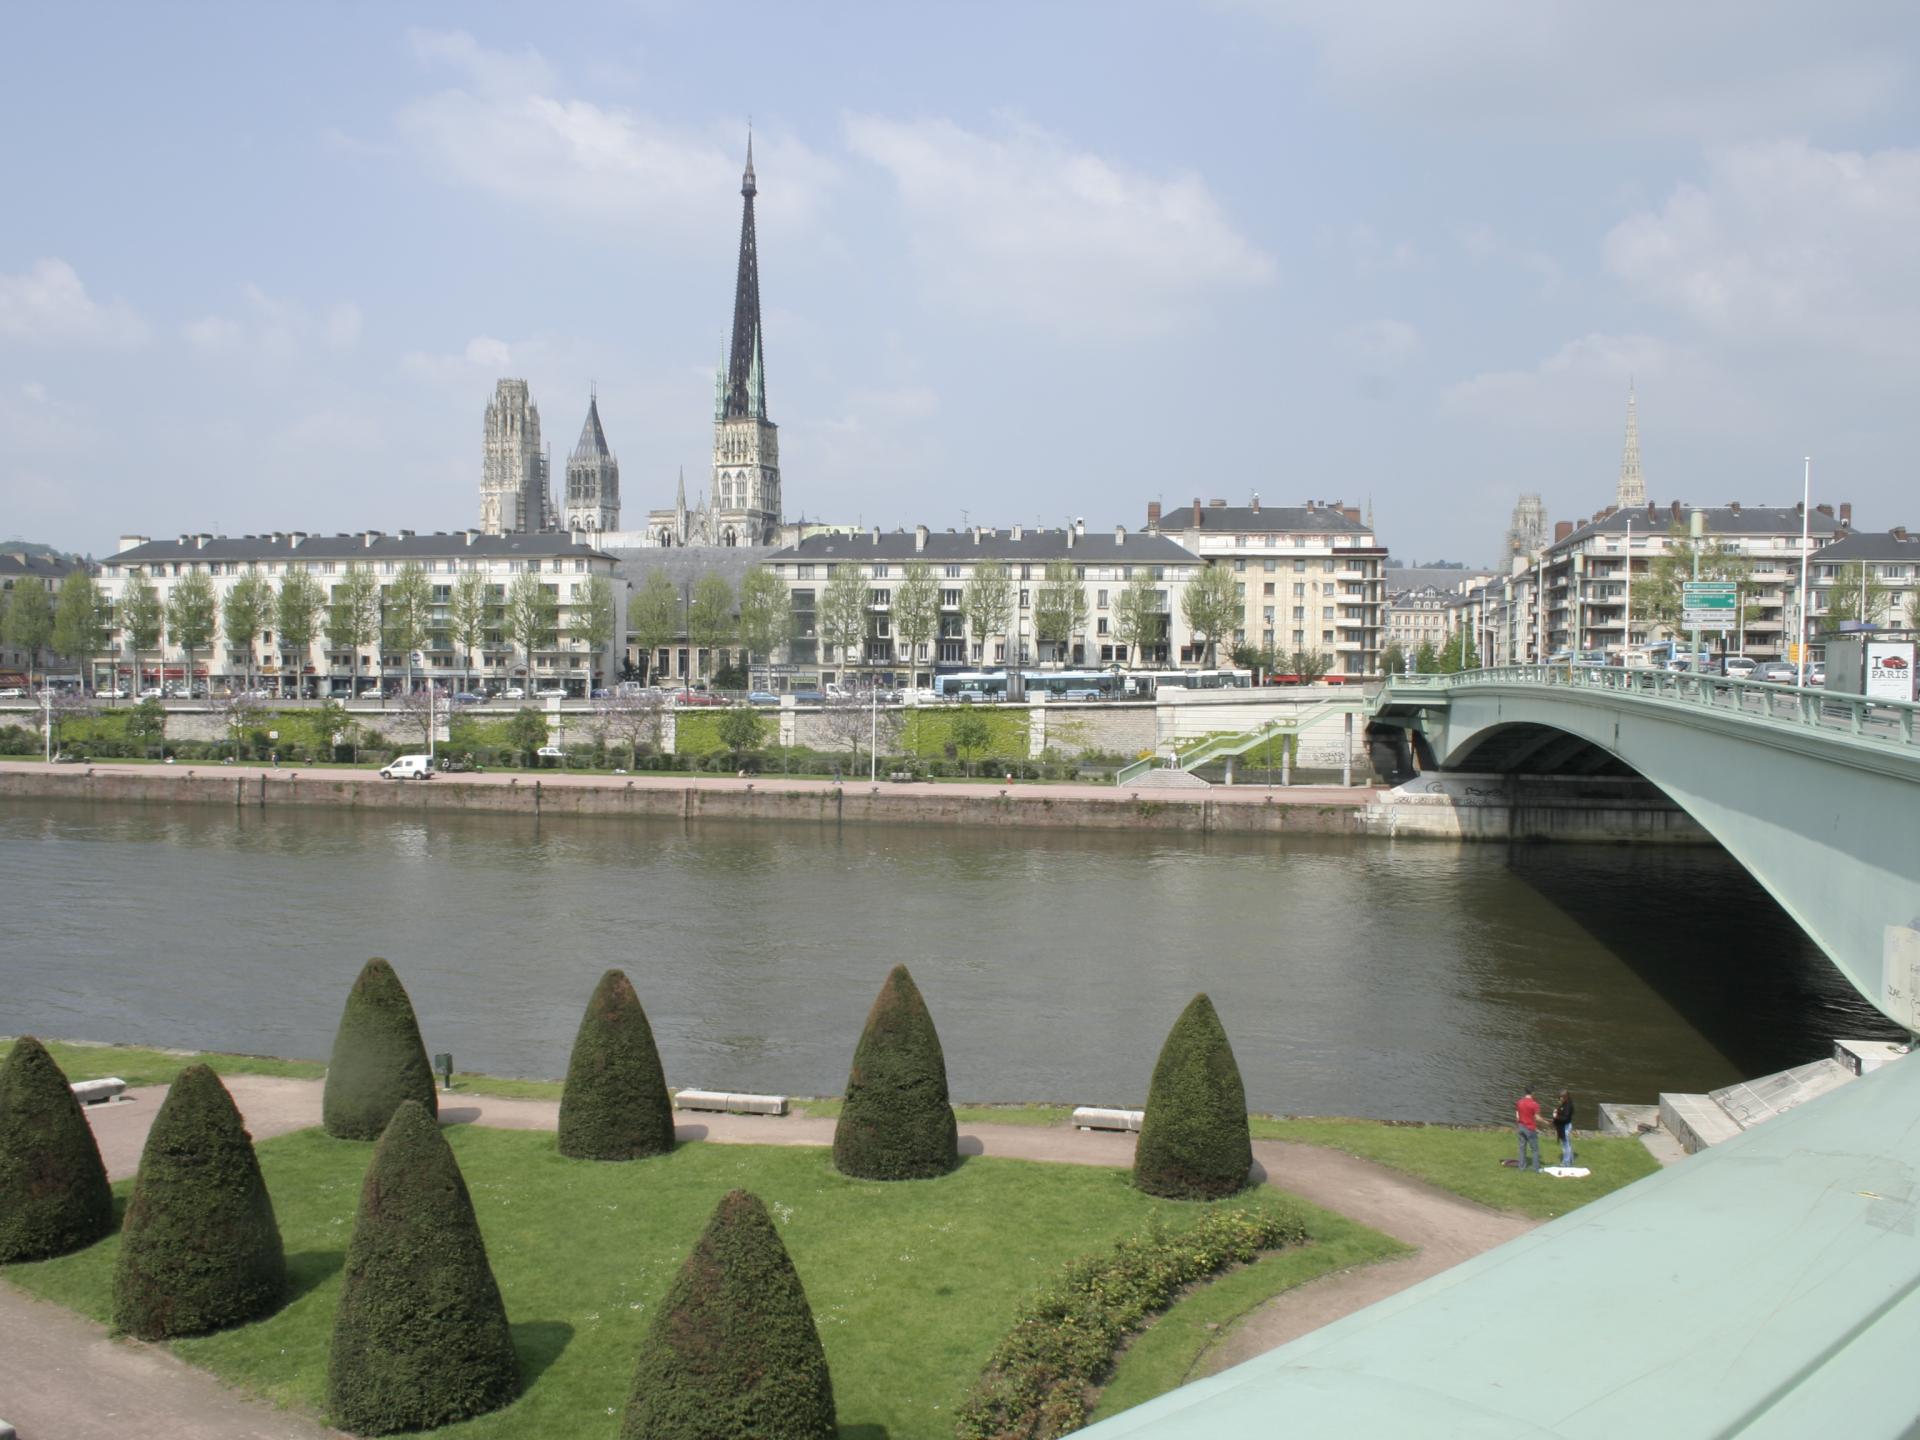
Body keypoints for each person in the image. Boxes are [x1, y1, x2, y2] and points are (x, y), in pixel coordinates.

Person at [1514, 1086, 1542, 1172]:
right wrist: (1546, 1122)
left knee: (1522, 1148)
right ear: (1533, 1093)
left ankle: (1522, 1167)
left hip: (1521, 1127)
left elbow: (1517, 1116)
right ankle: (1536, 1168)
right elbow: (1537, 1118)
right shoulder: (1535, 1104)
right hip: (1530, 1128)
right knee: (1535, 1150)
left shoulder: (1519, 1102)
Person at [1552, 1090, 1575, 1168]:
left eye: (1561, 1098)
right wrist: (1557, 1110)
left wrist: (1556, 1116)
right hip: (1563, 1126)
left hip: (1566, 1126)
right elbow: (1561, 1112)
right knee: (1567, 1144)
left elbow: (1565, 1118)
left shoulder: (1569, 1106)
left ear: (1565, 1097)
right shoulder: (1564, 1104)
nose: (1559, 1099)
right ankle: (1570, 1159)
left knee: (1565, 1145)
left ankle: (1566, 1162)